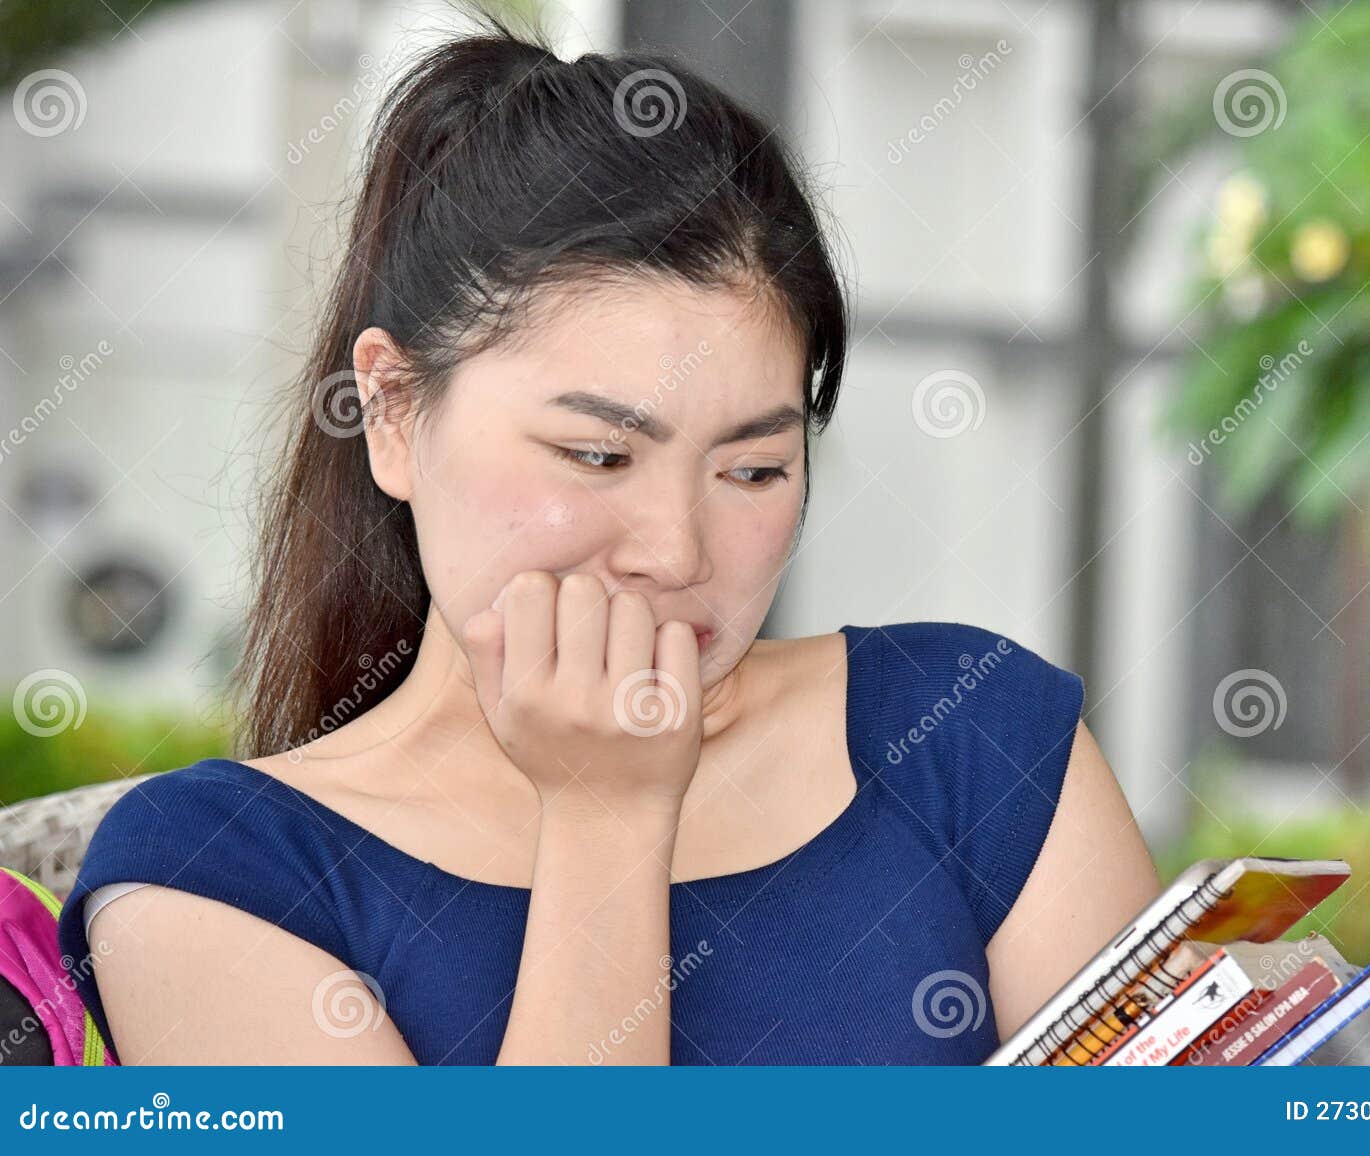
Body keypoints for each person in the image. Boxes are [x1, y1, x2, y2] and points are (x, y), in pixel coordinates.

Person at [58, 16, 1161, 1066]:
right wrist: (605, 817)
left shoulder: (968, 737)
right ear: (391, 411)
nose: (676, 551)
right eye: (597, 456)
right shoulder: (215, 874)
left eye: (754, 469)